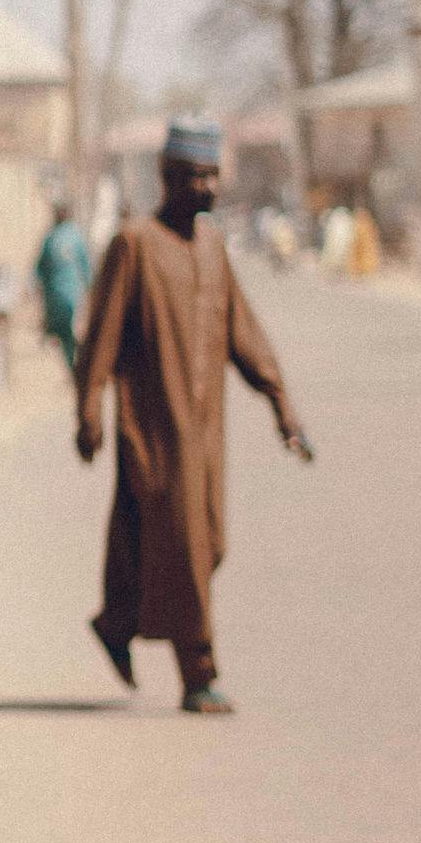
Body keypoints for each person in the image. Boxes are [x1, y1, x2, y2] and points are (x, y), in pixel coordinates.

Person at [76, 113, 313, 717]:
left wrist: (282, 405)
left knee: (192, 539)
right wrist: (90, 410)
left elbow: (245, 334)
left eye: (212, 176)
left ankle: (117, 619)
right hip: (151, 426)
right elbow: (99, 335)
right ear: (167, 176)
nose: (205, 188)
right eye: (193, 176)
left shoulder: (213, 246)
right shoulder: (135, 243)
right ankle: (199, 673)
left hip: (207, 433)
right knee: (184, 542)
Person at [34, 196, 93, 372]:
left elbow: (39, 271)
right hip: (66, 295)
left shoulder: (55, 237)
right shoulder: (69, 237)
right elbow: (87, 270)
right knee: (64, 333)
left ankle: (73, 366)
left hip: (60, 296)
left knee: (65, 333)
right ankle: (73, 367)